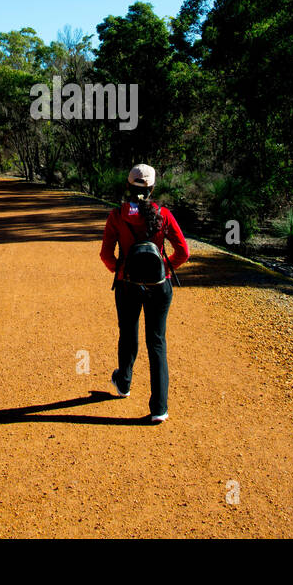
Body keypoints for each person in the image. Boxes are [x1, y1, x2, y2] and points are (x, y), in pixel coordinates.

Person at [99, 163, 190, 423]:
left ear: (128, 187)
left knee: (128, 334)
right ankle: (159, 408)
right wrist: (164, 268)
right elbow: (183, 252)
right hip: (159, 287)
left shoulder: (117, 216)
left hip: (127, 284)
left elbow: (106, 255)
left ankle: (124, 383)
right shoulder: (163, 215)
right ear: (151, 189)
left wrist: (121, 270)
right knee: (157, 342)